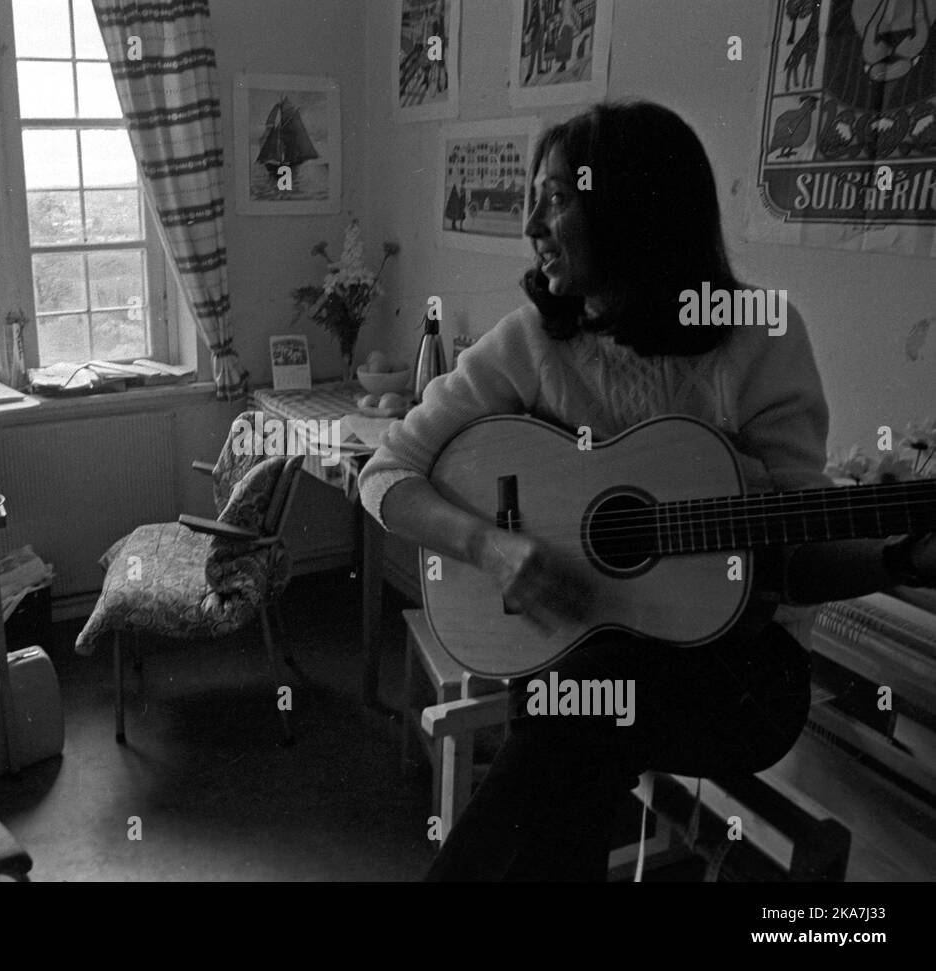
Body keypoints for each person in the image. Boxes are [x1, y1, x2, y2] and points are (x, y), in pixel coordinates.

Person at [357, 100, 936, 881]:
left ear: (634, 206)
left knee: (565, 726)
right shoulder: (532, 342)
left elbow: (798, 560)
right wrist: (489, 546)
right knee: (571, 739)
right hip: (579, 654)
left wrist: (898, 557)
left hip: (740, 674)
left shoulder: (760, 337)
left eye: (556, 198)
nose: (531, 224)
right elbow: (386, 472)